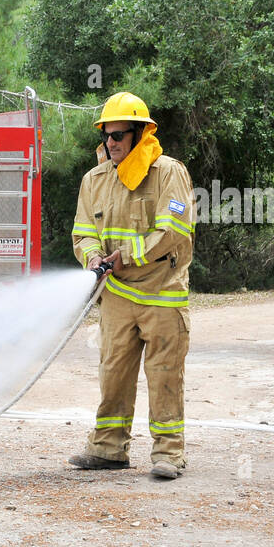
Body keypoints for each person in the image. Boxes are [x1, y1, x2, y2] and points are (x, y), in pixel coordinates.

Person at [68, 92, 195, 480]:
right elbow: (83, 232)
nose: (112, 143)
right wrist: (92, 257)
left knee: (164, 375)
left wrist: (127, 256)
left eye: (120, 135)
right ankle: (108, 449)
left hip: (162, 292)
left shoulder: (168, 172)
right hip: (118, 295)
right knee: (114, 373)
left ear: (141, 134)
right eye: (108, 135)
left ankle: (169, 454)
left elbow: (173, 231)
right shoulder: (95, 180)